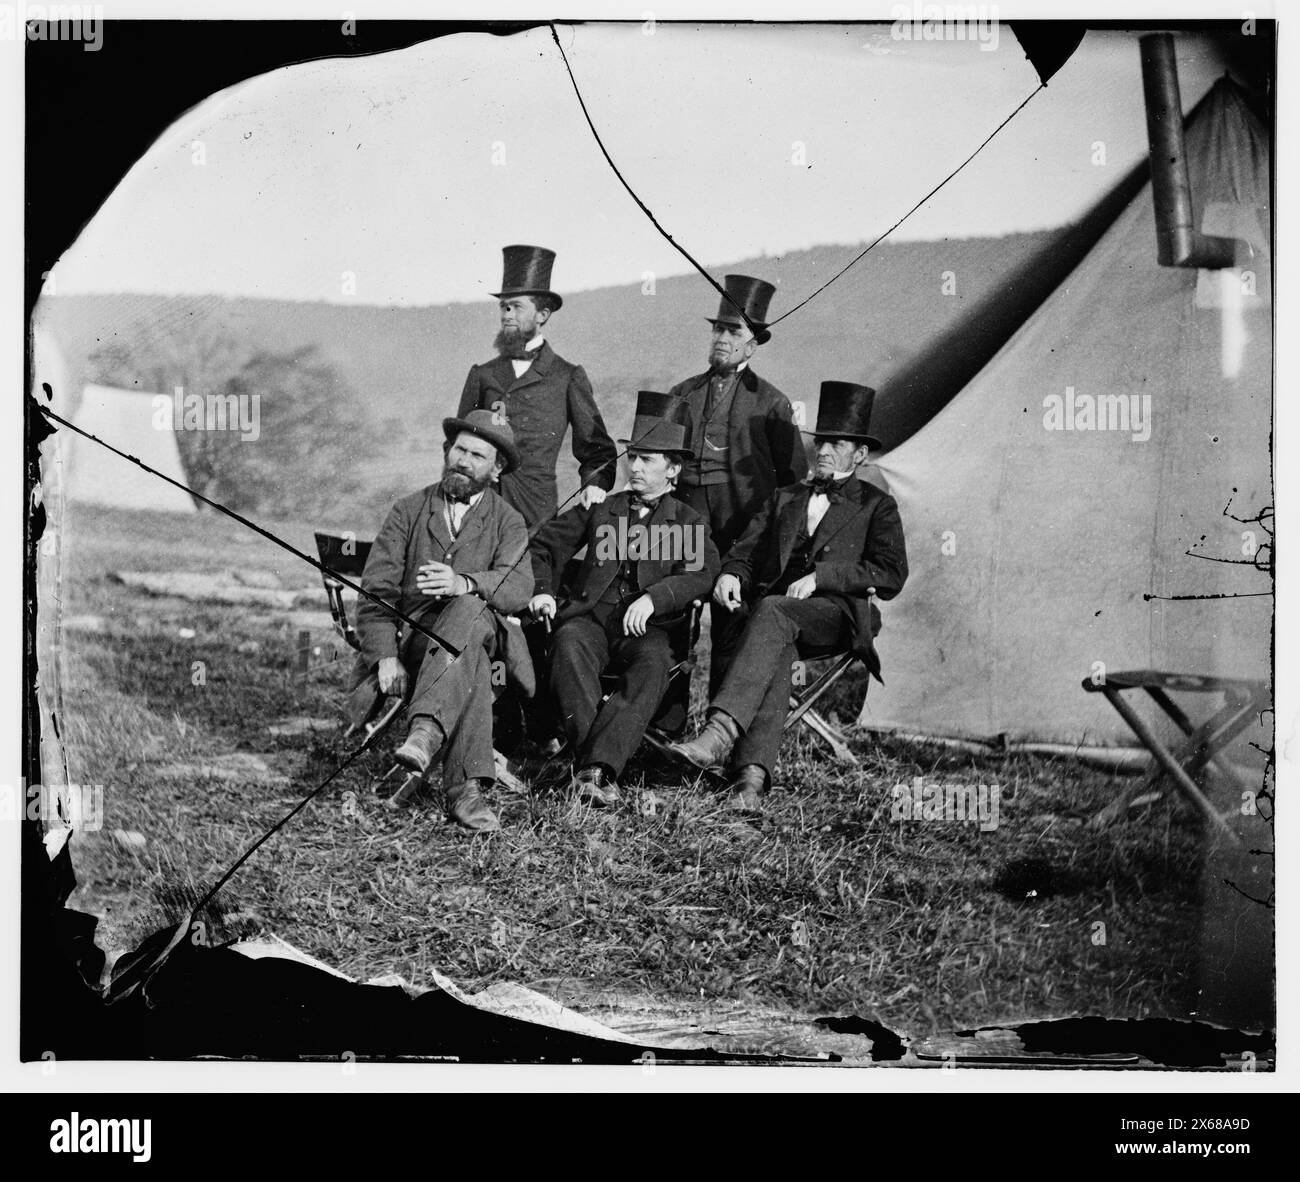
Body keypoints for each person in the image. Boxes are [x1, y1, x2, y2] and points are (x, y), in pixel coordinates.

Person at [667, 382, 908, 810]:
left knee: (772, 613)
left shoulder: (877, 505)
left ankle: (718, 735)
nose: (825, 451)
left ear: (861, 455)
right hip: (777, 617)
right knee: (772, 631)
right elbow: (744, 552)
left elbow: (890, 574)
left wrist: (823, 577)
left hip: (839, 613)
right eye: (822, 442)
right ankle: (749, 782)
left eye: (838, 444)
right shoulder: (786, 497)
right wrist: (730, 575)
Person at [528, 392, 720, 808]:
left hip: (647, 631)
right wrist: (543, 591)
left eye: (647, 460)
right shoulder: (602, 509)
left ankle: (592, 768)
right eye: (632, 456)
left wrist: (654, 598)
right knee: (568, 641)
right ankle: (594, 767)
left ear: (673, 468)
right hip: (592, 620)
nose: (633, 467)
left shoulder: (687, 521)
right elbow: (542, 546)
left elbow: (703, 574)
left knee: (653, 665)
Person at [347, 410, 535, 832]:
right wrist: (384, 658)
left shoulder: (508, 521)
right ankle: (465, 793)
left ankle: (426, 733)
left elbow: (518, 587)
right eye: (459, 450)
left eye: (477, 456)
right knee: (474, 663)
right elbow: (377, 593)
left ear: (497, 468)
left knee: (469, 609)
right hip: (416, 641)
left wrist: (463, 582)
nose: (463, 461)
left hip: (485, 635)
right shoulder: (409, 510)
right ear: (446, 451)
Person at [664, 273, 809, 723]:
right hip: (685, 522)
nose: (723, 339)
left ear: (753, 344)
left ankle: (718, 732)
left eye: (734, 332)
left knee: (731, 625)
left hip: (742, 529)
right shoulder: (682, 394)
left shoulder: (772, 404)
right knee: (671, 618)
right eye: (718, 329)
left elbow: (793, 483)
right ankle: (664, 726)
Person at [457, 244, 617, 527]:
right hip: (479, 506)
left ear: (542, 315)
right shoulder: (482, 374)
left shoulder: (567, 376)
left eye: (517, 306)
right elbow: (457, 441)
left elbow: (597, 449)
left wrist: (595, 483)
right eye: (503, 306)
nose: (506, 314)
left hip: (534, 511)